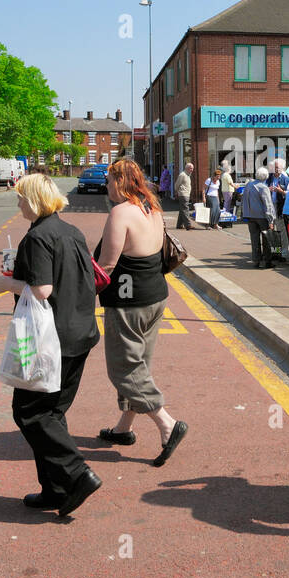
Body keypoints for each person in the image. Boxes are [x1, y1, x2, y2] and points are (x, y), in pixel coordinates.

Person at [0, 175, 102, 517]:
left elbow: (41, 289)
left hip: (50, 337)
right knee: (52, 412)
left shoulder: (38, 236)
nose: (19, 204)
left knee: (29, 411)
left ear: (36, 200)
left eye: (21, 198)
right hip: (81, 331)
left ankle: (77, 473)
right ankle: (55, 489)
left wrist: (2, 283)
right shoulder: (72, 231)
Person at [94, 160, 189, 466]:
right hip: (156, 296)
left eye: (109, 180)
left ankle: (166, 423)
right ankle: (124, 428)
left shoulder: (120, 212)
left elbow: (107, 265)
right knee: (139, 364)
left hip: (128, 300)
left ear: (120, 182)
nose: (106, 186)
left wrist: (83, 293)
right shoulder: (153, 207)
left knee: (123, 368)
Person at [240, 167, 278, 268]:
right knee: (266, 239)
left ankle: (256, 260)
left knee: (254, 238)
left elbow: (244, 199)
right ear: (265, 177)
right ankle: (267, 261)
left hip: (250, 215)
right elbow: (268, 204)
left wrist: (244, 213)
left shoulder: (249, 185)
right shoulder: (263, 187)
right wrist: (271, 219)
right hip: (261, 216)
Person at [174, 162, 202, 229]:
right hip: (183, 194)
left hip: (186, 194)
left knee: (182, 210)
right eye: (190, 168)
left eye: (192, 168)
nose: (192, 170)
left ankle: (179, 225)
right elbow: (177, 184)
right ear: (186, 168)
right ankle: (188, 225)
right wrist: (177, 192)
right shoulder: (182, 175)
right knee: (185, 209)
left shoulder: (188, 175)